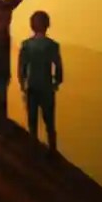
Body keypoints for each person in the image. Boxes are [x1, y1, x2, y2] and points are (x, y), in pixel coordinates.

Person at [19, 11, 64, 155]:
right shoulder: (52, 45)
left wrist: (22, 84)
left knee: (33, 121)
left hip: (31, 86)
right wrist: (56, 82)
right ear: (47, 25)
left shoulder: (26, 45)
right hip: (46, 87)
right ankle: (52, 151)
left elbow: (22, 67)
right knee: (49, 122)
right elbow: (58, 67)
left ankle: (33, 150)